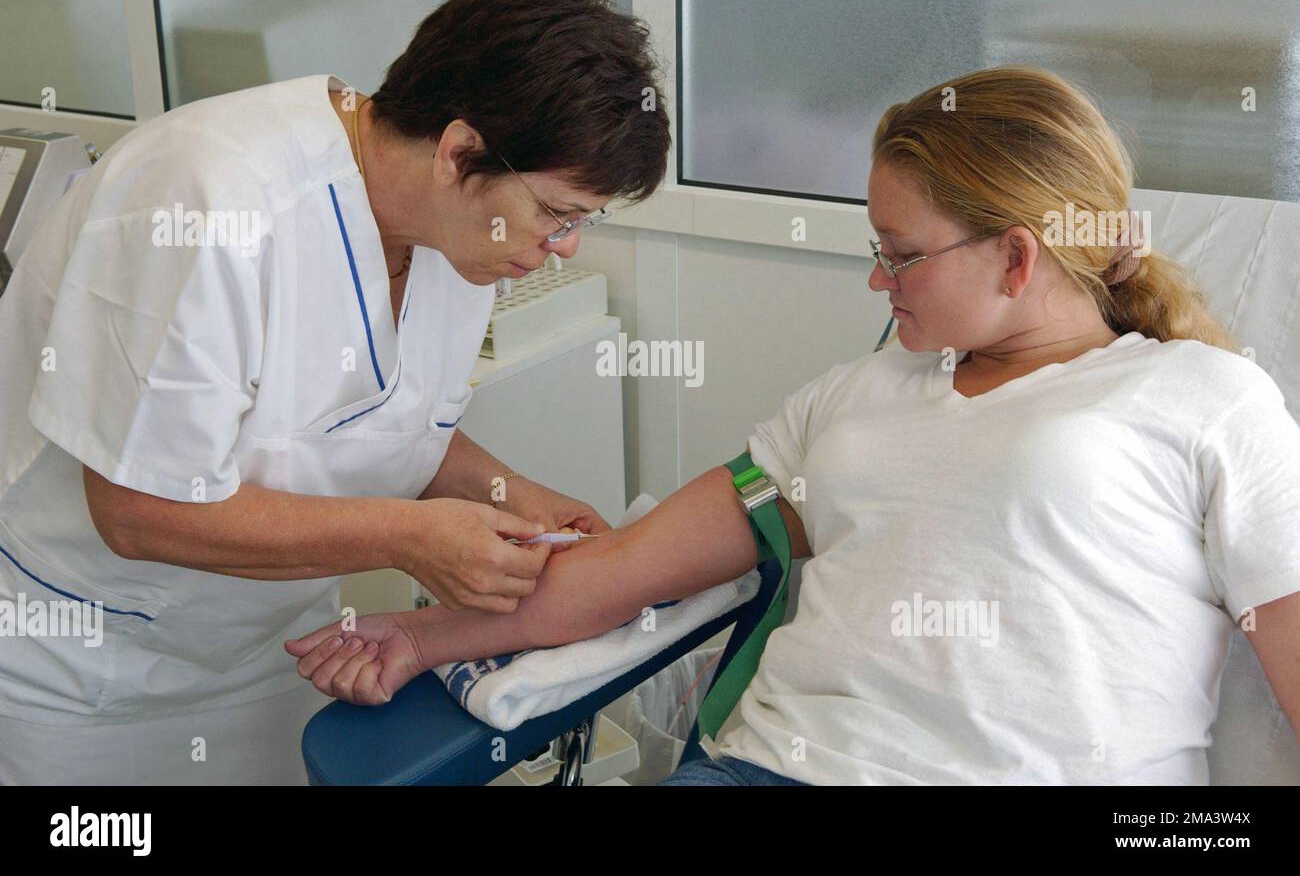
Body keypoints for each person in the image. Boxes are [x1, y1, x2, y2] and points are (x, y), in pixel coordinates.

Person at [290, 66, 1300, 785]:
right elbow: (623, 571)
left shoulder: (1204, 397)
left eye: (899, 255)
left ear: (1016, 258)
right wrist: (418, 635)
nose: (875, 281)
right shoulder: (848, 400)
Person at [0, 0, 669, 785]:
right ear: (460, 152)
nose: (563, 249)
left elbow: (377, 417)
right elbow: (136, 509)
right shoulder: (209, 201)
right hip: (87, 672)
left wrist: (508, 494)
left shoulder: (456, 241)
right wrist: (406, 538)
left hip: (273, 648)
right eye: (558, 215)